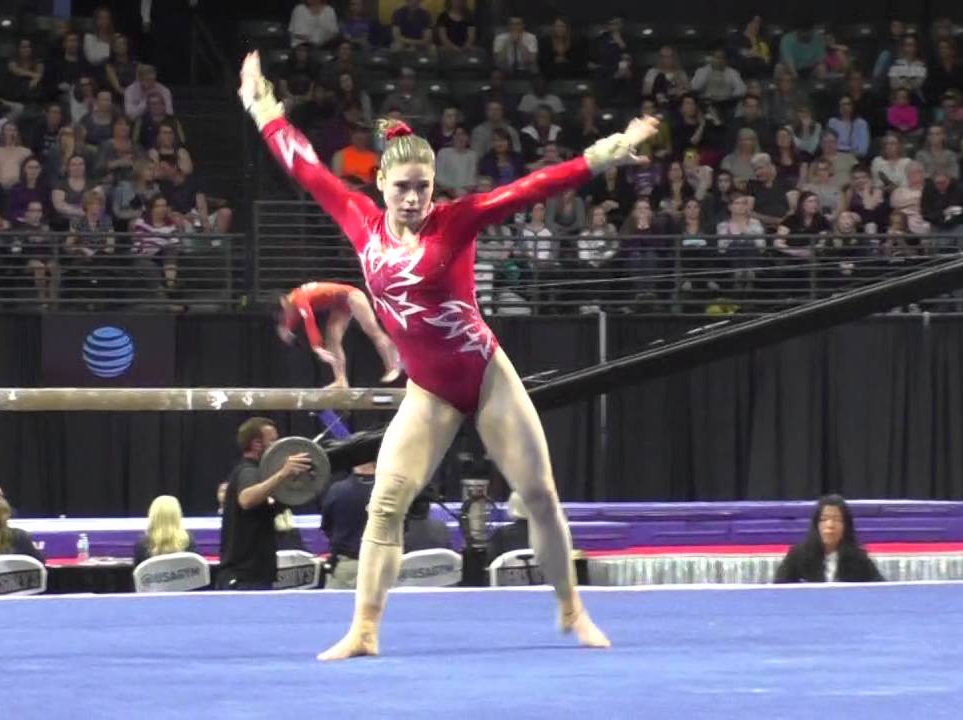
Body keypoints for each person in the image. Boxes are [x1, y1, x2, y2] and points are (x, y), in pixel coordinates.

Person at [240, 50, 655, 659]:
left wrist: (610, 149)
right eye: (402, 188)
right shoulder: (358, 219)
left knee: (538, 493)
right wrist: (262, 107)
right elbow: (304, 166)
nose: (413, 199)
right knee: (386, 501)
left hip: (484, 376)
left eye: (423, 189)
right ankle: (364, 629)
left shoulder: (455, 221)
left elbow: (534, 185)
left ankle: (572, 611)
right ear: (380, 183)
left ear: (436, 187)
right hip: (430, 391)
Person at [217, 417, 311, 591]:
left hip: (255, 575)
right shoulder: (248, 471)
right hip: (243, 579)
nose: (278, 447)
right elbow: (246, 499)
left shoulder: (263, 476)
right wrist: (283, 473)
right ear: (256, 444)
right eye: (273, 441)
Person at [278, 281, 401, 388]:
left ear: (284, 301)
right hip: (339, 303)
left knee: (372, 331)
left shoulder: (298, 297)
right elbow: (293, 318)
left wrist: (317, 347)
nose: (287, 314)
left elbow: (308, 319)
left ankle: (393, 365)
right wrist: (287, 328)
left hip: (352, 295)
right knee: (332, 338)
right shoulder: (292, 302)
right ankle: (341, 380)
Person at [773, 495, 884, 583]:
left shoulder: (858, 558)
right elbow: (778, 590)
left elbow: (880, 589)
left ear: (846, 525)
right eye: (824, 519)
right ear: (816, 524)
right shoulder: (798, 555)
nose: (830, 525)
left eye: (836, 519)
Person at [320, 460, 376, 589]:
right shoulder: (392, 491)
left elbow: (327, 527)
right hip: (382, 568)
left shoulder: (337, 490)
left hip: (346, 566)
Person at [133, 495, 199, 566]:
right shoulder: (189, 543)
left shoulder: (142, 545)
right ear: (177, 516)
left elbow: (137, 575)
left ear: (152, 516)